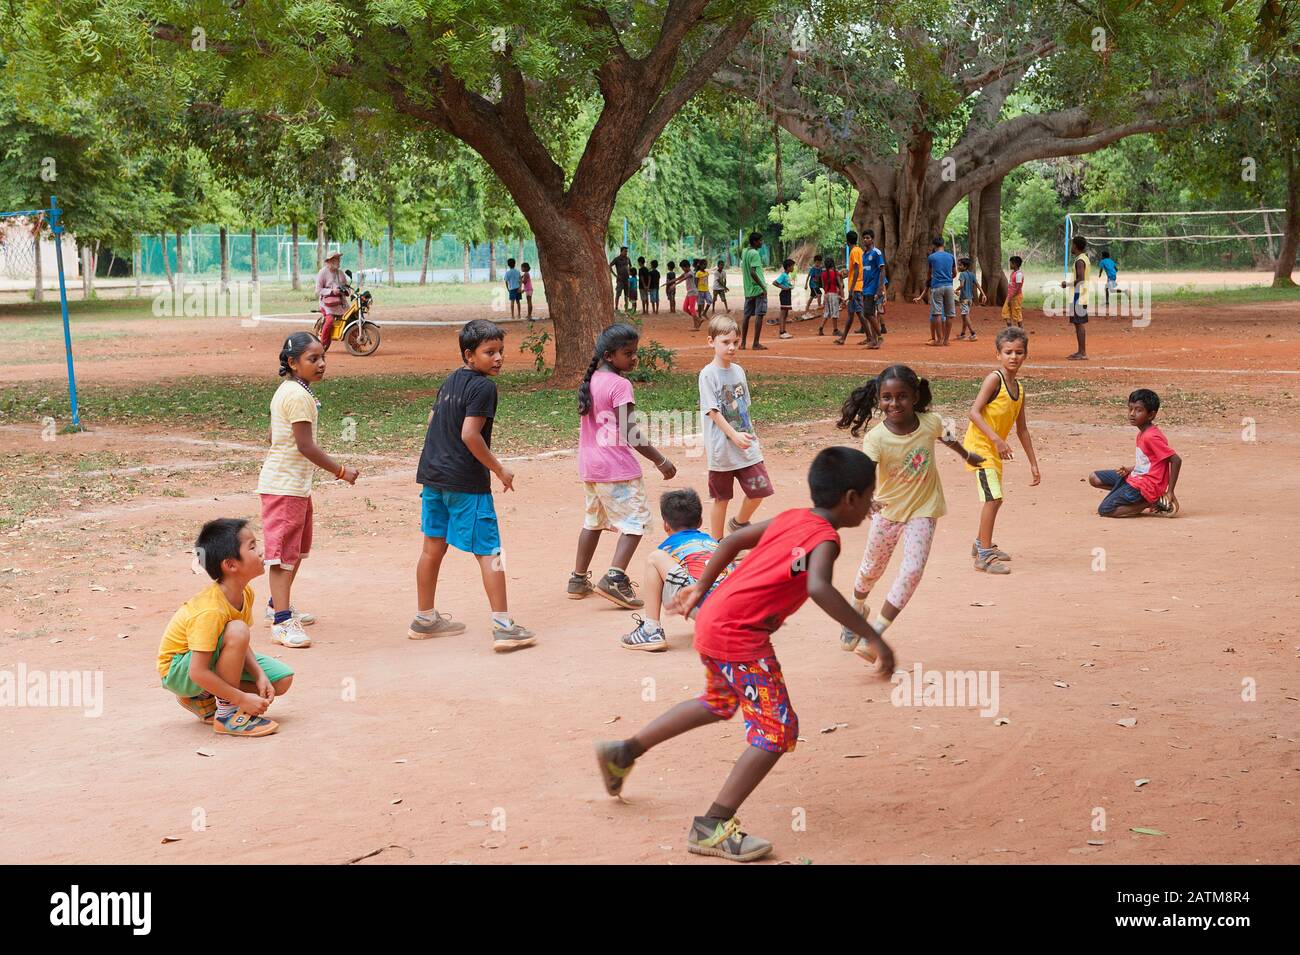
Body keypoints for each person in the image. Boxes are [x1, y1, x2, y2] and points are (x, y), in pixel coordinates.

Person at [594, 446, 894, 863]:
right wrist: (874, 637)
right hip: (740, 637)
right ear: (850, 499)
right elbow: (819, 588)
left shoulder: (793, 518)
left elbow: (734, 538)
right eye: (868, 495)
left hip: (716, 621)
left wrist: (701, 589)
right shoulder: (825, 538)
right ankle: (712, 826)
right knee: (777, 729)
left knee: (719, 702)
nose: (869, 504)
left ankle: (625, 751)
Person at [835, 364, 984, 655]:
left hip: (923, 508)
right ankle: (856, 610)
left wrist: (968, 455)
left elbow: (947, 437)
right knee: (871, 570)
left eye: (902, 396)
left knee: (912, 569)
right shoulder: (876, 438)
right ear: (879, 400)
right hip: (887, 511)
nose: (894, 403)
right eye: (887, 397)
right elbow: (864, 471)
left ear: (915, 396)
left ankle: (875, 633)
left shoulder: (931, 422)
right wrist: (867, 499)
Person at [412, 320, 536, 651]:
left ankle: (425, 618)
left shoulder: (452, 379)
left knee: (432, 547)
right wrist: (499, 469)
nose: (498, 358)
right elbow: (470, 434)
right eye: (489, 352)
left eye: (501, 352)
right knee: (490, 551)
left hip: (433, 476)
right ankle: (503, 625)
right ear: (470, 355)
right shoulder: (484, 387)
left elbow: (432, 419)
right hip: (465, 481)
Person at [258, 332, 359, 649]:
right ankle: (282, 623)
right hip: (284, 487)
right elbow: (304, 445)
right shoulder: (298, 395)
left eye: (323, 357)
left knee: (296, 550)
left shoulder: (290, 390)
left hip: (294, 486)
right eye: (313, 359)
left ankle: (278, 605)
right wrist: (341, 471)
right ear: (292, 362)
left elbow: (272, 433)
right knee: (282, 557)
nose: (322, 364)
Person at [568, 324, 678, 608]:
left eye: (635, 352)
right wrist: (660, 460)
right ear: (608, 355)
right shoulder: (620, 385)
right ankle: (615, 578)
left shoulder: (591, 381)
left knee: (593, 521)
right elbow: (630, 432)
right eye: (628, 353)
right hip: (617, 468)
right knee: (636, 522)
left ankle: (578, 579)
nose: (633, 358)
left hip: (591, 468)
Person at [158, 518, 294, 737]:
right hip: (178, 670)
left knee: (281, 681)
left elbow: (240, 643)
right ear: (230, 565)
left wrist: (259, 675)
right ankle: (227, 714)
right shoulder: (210, 610)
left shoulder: (244, 593)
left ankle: (202, 695)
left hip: (206, 659)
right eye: (252, 546)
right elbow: (197, 670)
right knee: (238, 629)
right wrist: (240, 699)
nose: (261, 552)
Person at [617, 489, 734, 652]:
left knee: (655, 558)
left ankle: (651, 630)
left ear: (666, 525)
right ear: (700, 522)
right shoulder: (714, 544)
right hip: (736, 612)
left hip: (701, 604)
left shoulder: (669, 546)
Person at [964, 327, 1041, 574]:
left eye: (1019, 352)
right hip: (979, 448)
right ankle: (984, 556)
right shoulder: (994, 379)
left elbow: (1023, 429)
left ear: (1026, 355)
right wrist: (996, 439)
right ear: (998, 354)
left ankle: (981, 543)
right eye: (1008, 352)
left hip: (993, 449)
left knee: (995, 499)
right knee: (993, 498)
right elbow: (973, 412)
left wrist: (1033, 463)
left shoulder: (1019, 389)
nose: (1013, 357)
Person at [699, 315, 774, 542]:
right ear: (711, 342)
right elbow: (713, 411)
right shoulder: (708, 374)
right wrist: (733, 435)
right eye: (725, 342)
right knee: (721, 498)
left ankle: (739, 522)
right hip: (722, 449)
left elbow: (744, 408)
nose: (731, 347)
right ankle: (718, 544)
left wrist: (746, 436)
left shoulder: (739, 371)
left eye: (735, 342)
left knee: (760, 490)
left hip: (747, 446)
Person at [1088, 388, 1182, 518]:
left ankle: (1150, 501)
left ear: (1151, 415)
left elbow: (1176, 460)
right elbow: (1150, 462)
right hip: (1136, 477)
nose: (1132, 413)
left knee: (1105, 509)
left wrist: (1170, 492)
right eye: (1130, 409)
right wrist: (1129, 469)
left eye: (1138, 410)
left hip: (1146, 484)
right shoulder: (1142, 433)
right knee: (1094, 478)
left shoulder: (1151, 437)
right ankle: (1140, 498)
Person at [843, 230, 885, 348]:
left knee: (867, 313)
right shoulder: (864, 254)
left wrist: (880, 288)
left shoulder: (876, 253)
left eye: (868, 238)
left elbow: (882, 270)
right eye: (864, 238)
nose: (865, 240)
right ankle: (874, 340)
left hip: (873, 287)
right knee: (870, 313)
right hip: (865, 287)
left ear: (872, 239)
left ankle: (879, 337)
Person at [914, 237, 956, 346]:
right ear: (943, 244)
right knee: (949, 314)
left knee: (937, 313)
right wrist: (949, 278)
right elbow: (954, 273)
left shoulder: (932, 257)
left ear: (934, 246)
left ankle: (939, 340)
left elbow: (929, 272)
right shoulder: (951, 256)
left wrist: (929, 280)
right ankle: (946, 340)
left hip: (937, 286)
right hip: (949, 286)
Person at [1061, 235, 1090, 359]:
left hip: (1078, 295)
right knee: (1079, 323)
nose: (1071, 247)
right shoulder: (1084, 258)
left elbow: (1081, 279)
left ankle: (1082, 353)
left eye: (1072, 245)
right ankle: (1081, 351)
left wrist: (1066, 284)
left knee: (1079, 324)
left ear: (1076, 246)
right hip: (1081, 294)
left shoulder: (1079, 261)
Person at [315, 250, 349, 352]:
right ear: (329, 261)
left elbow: (347, 287)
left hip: (340, 303)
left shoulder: (341, 273)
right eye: (336, 259)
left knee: (351, 317)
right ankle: (321, 345)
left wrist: (346, 291)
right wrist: (331, 291)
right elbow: (318, 290)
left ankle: (354, 344)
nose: (339, 261)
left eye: (339, 259)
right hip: (327, 305)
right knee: (329, 321)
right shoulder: (322, 272)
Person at [739, 232, 768, 350]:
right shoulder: (755, 253)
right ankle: (756, 343)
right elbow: (752, 272)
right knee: (759, 315)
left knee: (746, 316)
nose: (761, 242)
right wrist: (762, 287)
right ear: (755, 242)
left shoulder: (745, 252)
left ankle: (743, 343)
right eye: (760, 240)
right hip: (757, 289)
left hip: (748, 289)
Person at [838, 230, 865, 346]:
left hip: (856, 287)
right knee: (851, 313)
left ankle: (871, 336)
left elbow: (857, 269)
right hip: (858, 285)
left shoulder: (854, 252)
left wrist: (851, 288)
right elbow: (857, 269)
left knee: (859, 313)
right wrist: (848, 272)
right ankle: (843, 338)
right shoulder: (860, 251)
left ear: (848, 241)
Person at [955, 256, 986, 341]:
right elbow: (977, 285)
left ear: (965, 266)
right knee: (964, 316)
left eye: (960, 265)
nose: (958, 267)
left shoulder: (962, 274)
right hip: (970, 299)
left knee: (965, 316)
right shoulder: (971, 274)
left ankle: (973, 333)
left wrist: (956, 290)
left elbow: (962, 285)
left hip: (964, 299)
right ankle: (963, 334)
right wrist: (983, 294)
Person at [818, 253, 841, 337]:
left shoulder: (823, 274)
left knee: (827, 312)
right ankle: (835, 329)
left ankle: (821, 327)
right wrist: (841, 295)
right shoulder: (835, 273)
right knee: (835, 312)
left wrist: (827, 292)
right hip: (834, 294)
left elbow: (823, 286)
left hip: (827, 294)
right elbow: (840, 285)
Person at [1097, 248, 1125, 313]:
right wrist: (1112, 272)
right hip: (1113, 275)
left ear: (1103, 256)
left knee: (1110, 290)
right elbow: (1116, 269)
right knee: (1106, 289)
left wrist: (1100, 274)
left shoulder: (1102, 261)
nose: (1101, 257)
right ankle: (1107, 302)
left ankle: (1125, 291)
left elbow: (1101, 269)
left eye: (1102, 255)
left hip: (1110, 276)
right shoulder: (1111, 260)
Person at [773, 258, 795, 339]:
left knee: (786, 313)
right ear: (788, 267)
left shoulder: (787, 275)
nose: (793, 268)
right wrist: (784, 287)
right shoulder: (783, 275)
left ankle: (784, 331)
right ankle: (781, 332)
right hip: (784, 294)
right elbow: (775, 282)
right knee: (783, 313)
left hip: (788, 294)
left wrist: (789, 287)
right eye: (792, 266)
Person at [1002, 255, 1025, 328]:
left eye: (1011, 263)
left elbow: (1018, 287)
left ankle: (1021, 331)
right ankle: (1010, 329)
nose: (1010, 265)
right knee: (1005, 312)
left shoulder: (1019, 274)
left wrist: (1011, 297)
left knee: (1017, 315)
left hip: (1015, 297)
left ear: (1015, 264)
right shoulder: (1013, 273)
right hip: (1010, 297)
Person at [680, 258, 700, 328]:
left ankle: (696, 326)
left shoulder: (691, 273)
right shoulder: (686, 273)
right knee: (685, 308)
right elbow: (678, 278)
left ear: (687, 267)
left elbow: (683, 279)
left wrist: (674, 285)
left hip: (693, 292)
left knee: (692, 308)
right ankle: (698, 319)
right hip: (689, 292)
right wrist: (669, 283)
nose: (683, 270)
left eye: (683, 268)